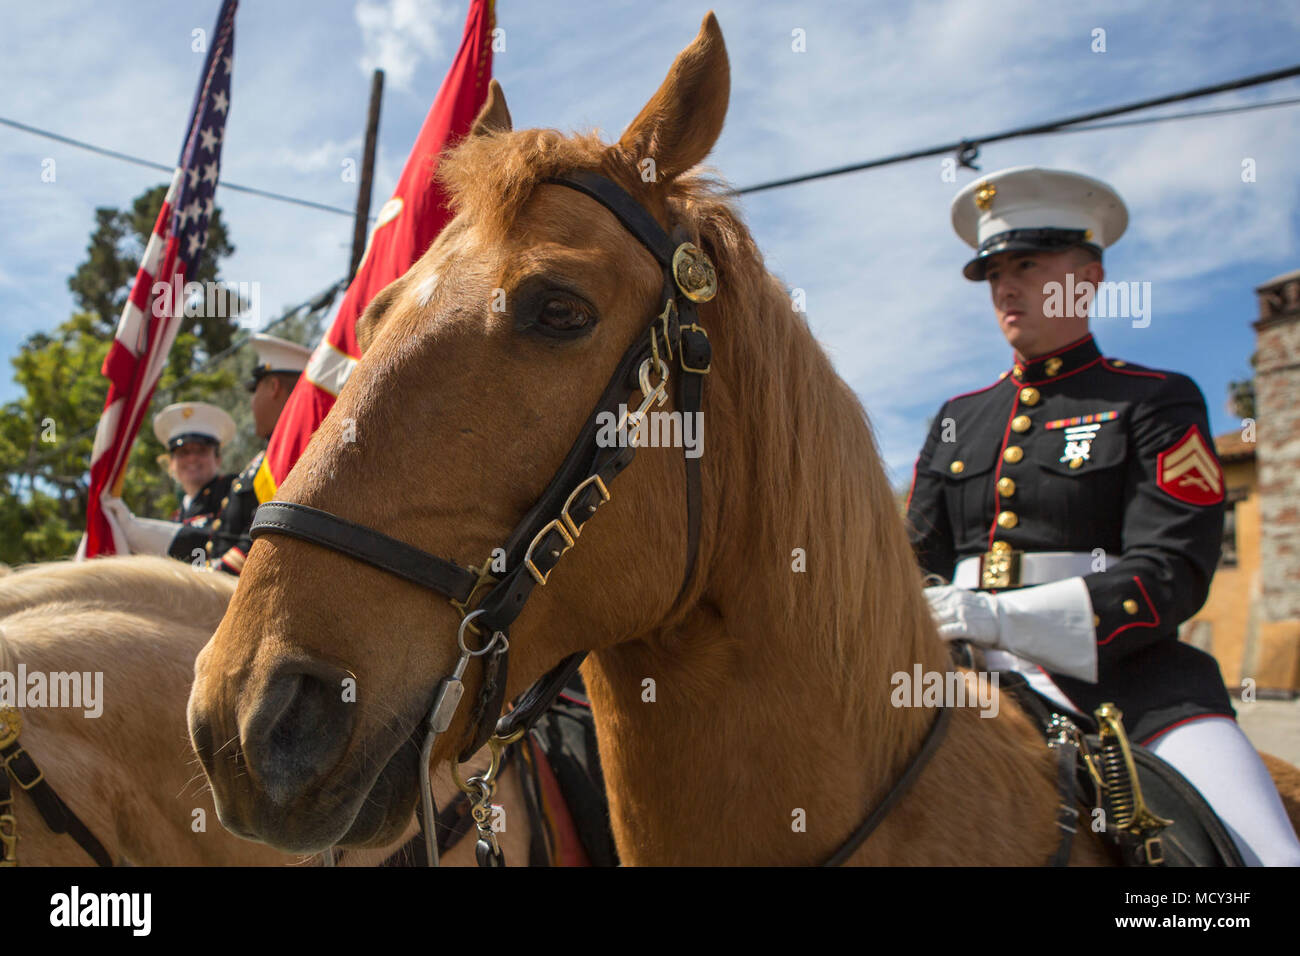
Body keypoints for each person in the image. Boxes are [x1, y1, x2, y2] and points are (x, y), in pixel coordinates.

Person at [906, 165, 1300, 866]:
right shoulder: (958, 420)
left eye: (1027, 263)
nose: (1005, 285)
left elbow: (1170, 575)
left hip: (1128, 686)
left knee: (1265, 858)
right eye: (994, 270)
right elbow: (912, 558)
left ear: (1085, 280)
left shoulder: (1152, 401)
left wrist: (1003, 618)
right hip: (949, 668)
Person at [105, 333, 311, 574]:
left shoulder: (282, 460)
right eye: (182, 453)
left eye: (201, 451)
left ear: (273, 387)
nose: (192, 459)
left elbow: (259, 539)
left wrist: (136, 530)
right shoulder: (266, 460)